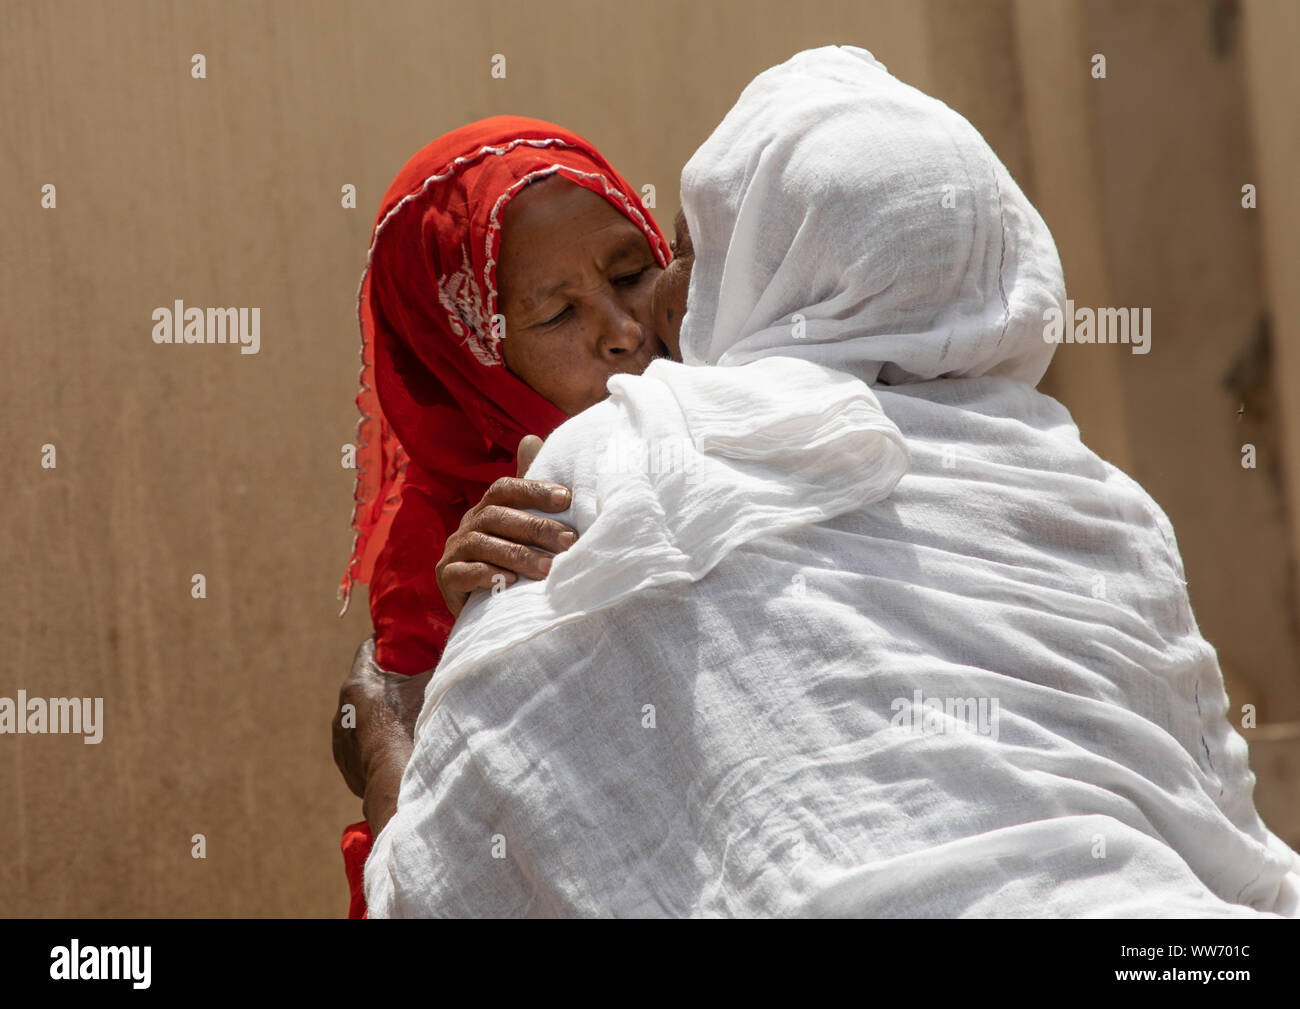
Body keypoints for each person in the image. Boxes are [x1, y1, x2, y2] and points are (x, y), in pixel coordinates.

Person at [359, 45, 1300, 917]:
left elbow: (442, 887)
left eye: (669, 257)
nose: (643, 317)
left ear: (789, 273)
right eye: (560, 311)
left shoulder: (617, 465)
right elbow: (1213, 824)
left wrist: (383, 743)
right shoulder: (1093, 488)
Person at [334, 116, 671, 917]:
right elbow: (423, 870)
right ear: (469, 355)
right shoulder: (456, 543)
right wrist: (471, 643)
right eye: (557, 315)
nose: (625, 333)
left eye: (631, 272)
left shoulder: (754, 394)